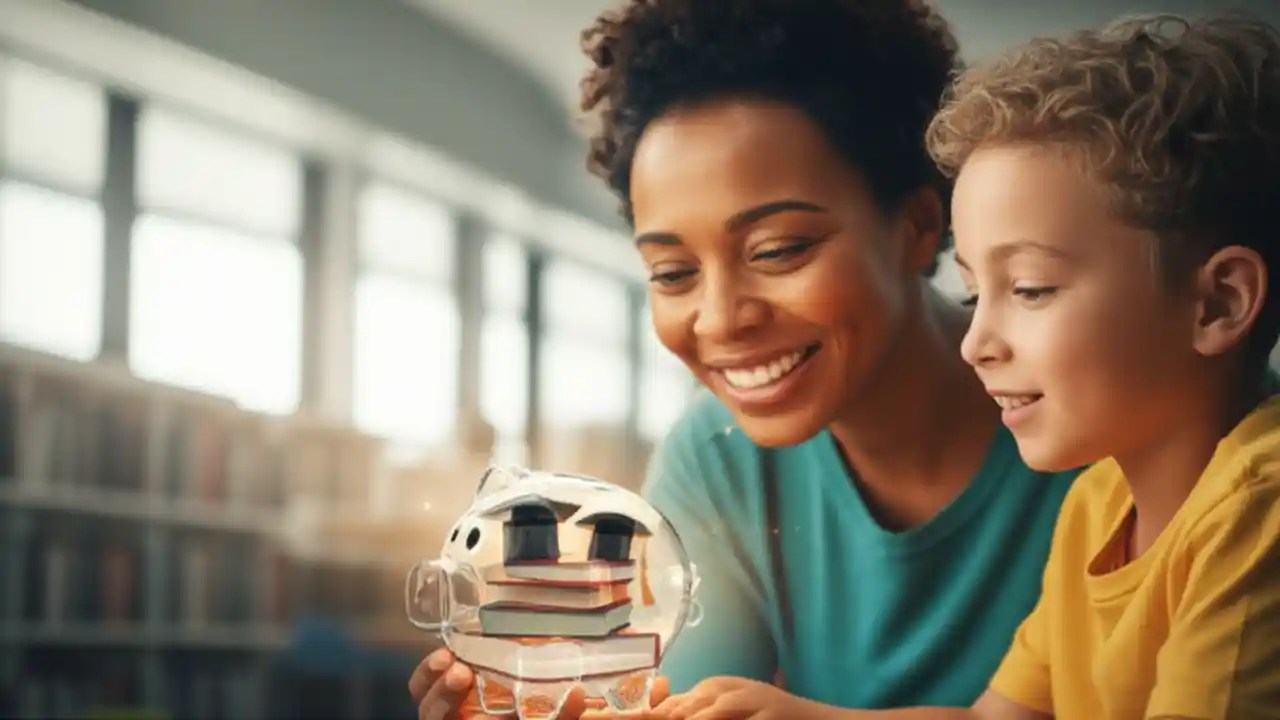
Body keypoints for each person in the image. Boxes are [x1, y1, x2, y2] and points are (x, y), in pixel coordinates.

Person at [410, 1, 1078, 718]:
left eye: (779, 250)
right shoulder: (718, 455)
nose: (723, 319)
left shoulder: (1098, 410)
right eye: (672, 273)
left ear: (917, 227)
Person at [646, 12, 1280, 719]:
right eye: (976, 292)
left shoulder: (1259, 513)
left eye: (1031, 289)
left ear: (1219, 303)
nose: (977, 341)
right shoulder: (1098, 503)